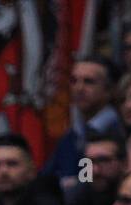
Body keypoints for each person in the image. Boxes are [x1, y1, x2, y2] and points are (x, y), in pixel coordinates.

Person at [47, 56, 124, 192]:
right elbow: (46, 180)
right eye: (73, 81)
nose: (78, 88)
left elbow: (90, 184)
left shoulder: (122, 132)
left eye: (89, 82)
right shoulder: (72, 135)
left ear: (110, 90)